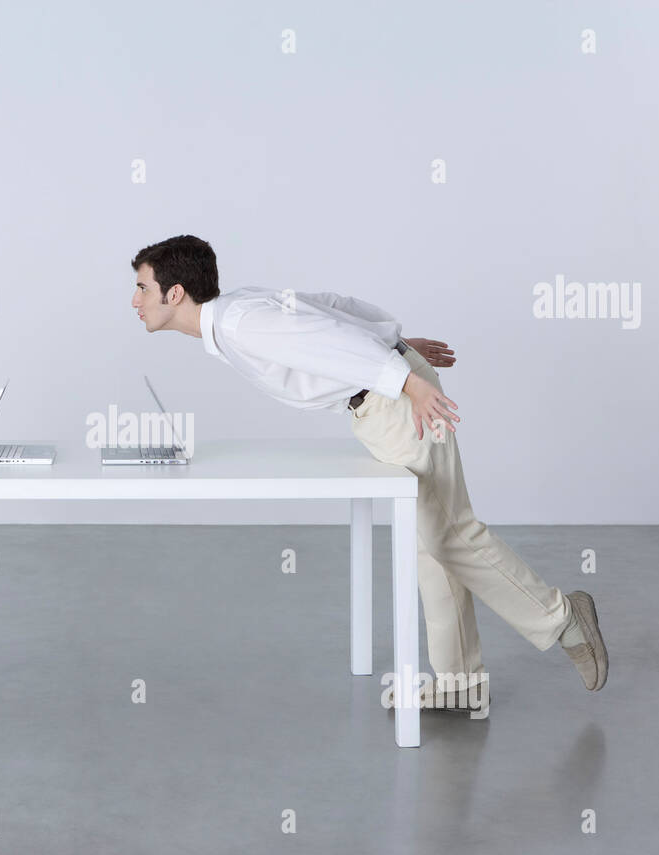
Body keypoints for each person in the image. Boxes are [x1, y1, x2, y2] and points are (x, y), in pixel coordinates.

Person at [128, 235, 608, 718]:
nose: (135, 300)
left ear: (174, 293)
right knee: (433, 542)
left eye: (142, 288)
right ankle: (460, 682)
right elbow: (330, 308)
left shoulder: (241, 323)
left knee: (453, 535)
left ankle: (564, 618)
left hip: (396, 403)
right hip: (383, 400)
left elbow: (328, 338)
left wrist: (407, 378)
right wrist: (394, 346)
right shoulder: (237, 310)